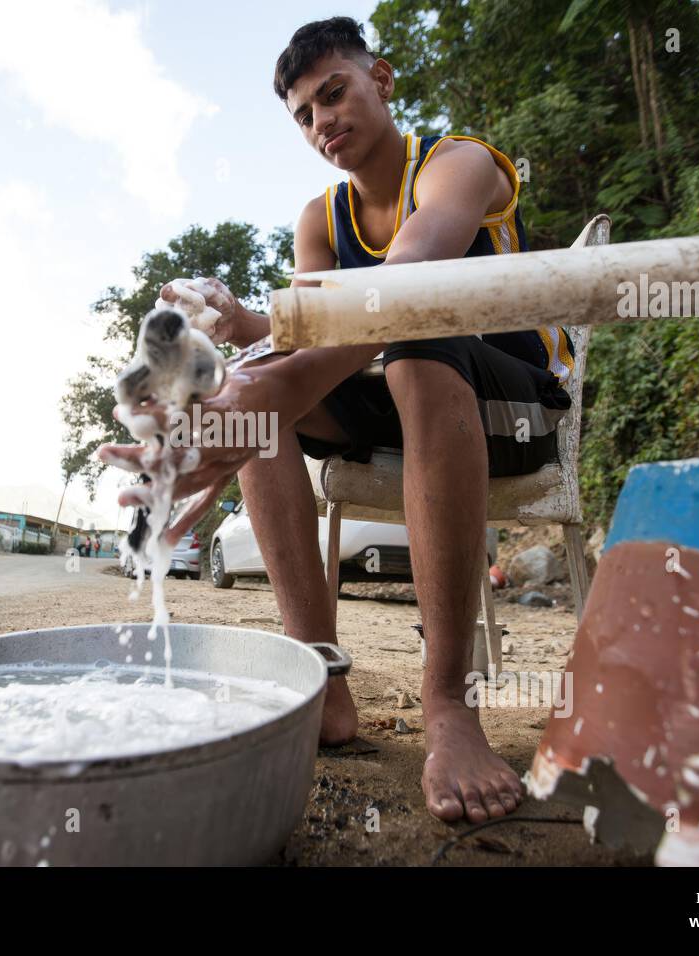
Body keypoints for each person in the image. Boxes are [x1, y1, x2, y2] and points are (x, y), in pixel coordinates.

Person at [100, 17, 574, 826]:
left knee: (418, 335)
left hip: (512, 406)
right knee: (256, 399)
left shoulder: (457, 165)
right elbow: (308, 335)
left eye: (335, 93)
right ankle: (322, 681)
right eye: (305, 116)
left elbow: (408, 286)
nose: (324, 123)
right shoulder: (320, 219)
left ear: (381, 80)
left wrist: (271, 386)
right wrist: (240, 325)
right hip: (404, 398)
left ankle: (449, 707)